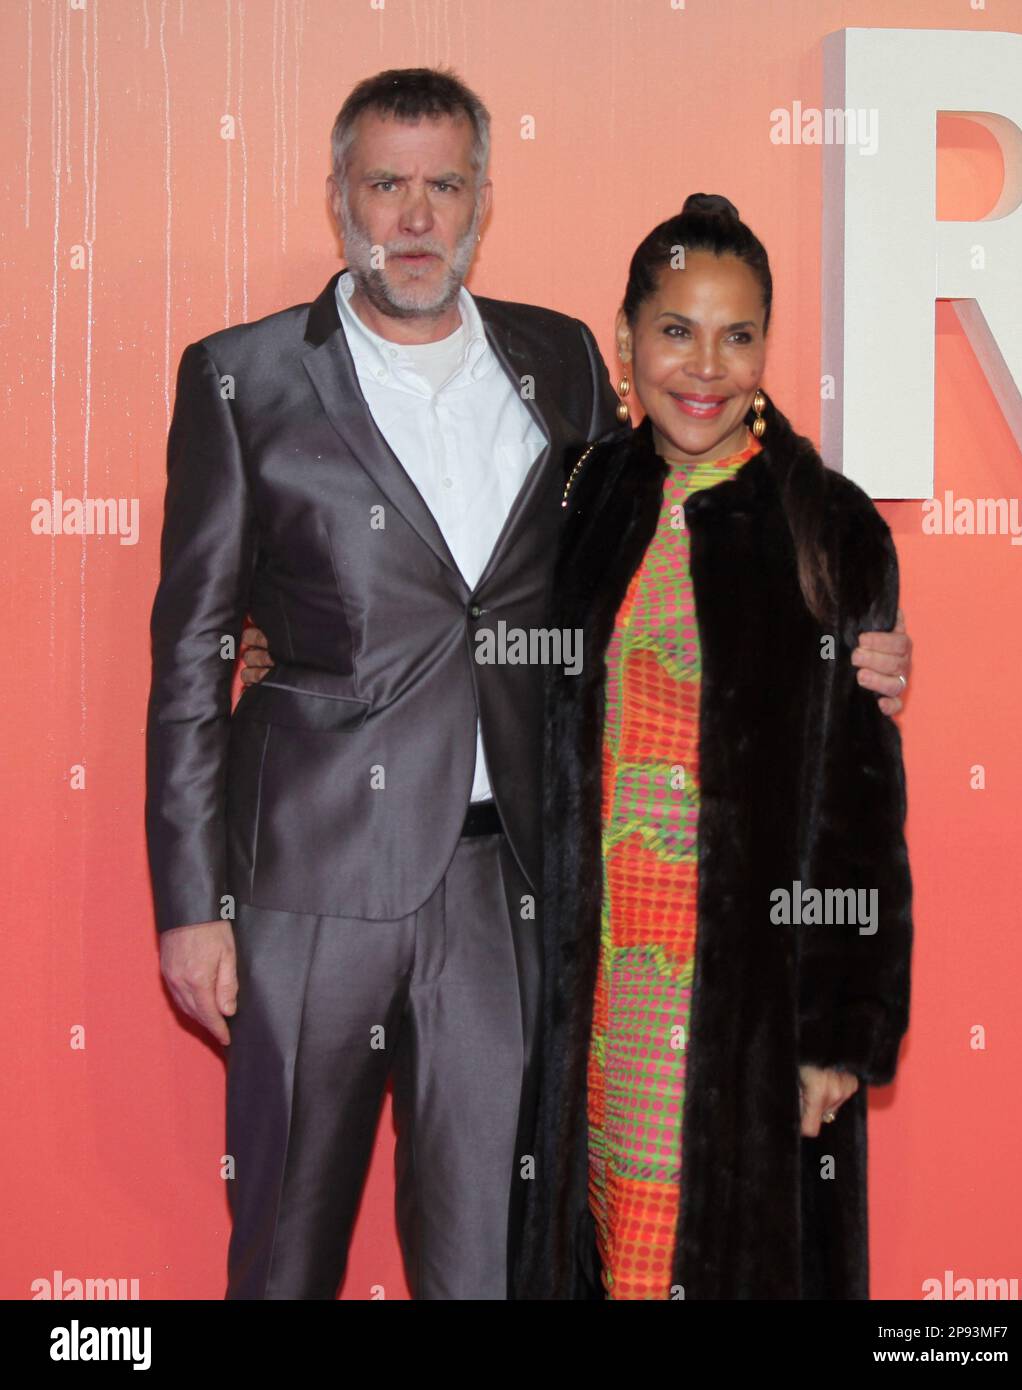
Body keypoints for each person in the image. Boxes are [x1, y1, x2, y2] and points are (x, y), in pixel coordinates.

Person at [147, 62, 910, 1302]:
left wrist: (855, 628)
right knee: (282, 1249)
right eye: (385, 184)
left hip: (509, 888)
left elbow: (696, 509)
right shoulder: (242, 379)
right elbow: (189, 648)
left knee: (490, 1262)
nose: (412, 217)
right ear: (337, 194)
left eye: (442, 185)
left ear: (482, 200)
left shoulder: (556, 361)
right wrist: (191, 902)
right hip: (307, 884)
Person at [509, 194, 914, 1301]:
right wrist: (272, 646)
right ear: (626, 339)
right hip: (593, 983)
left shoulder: (824, 524)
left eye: (737, 334)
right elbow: (472, 648)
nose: (705, 365)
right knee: (597, 1256)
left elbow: (859, 805)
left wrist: (836, 1028)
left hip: (744, 992)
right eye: (675, 329)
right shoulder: (581, 495)